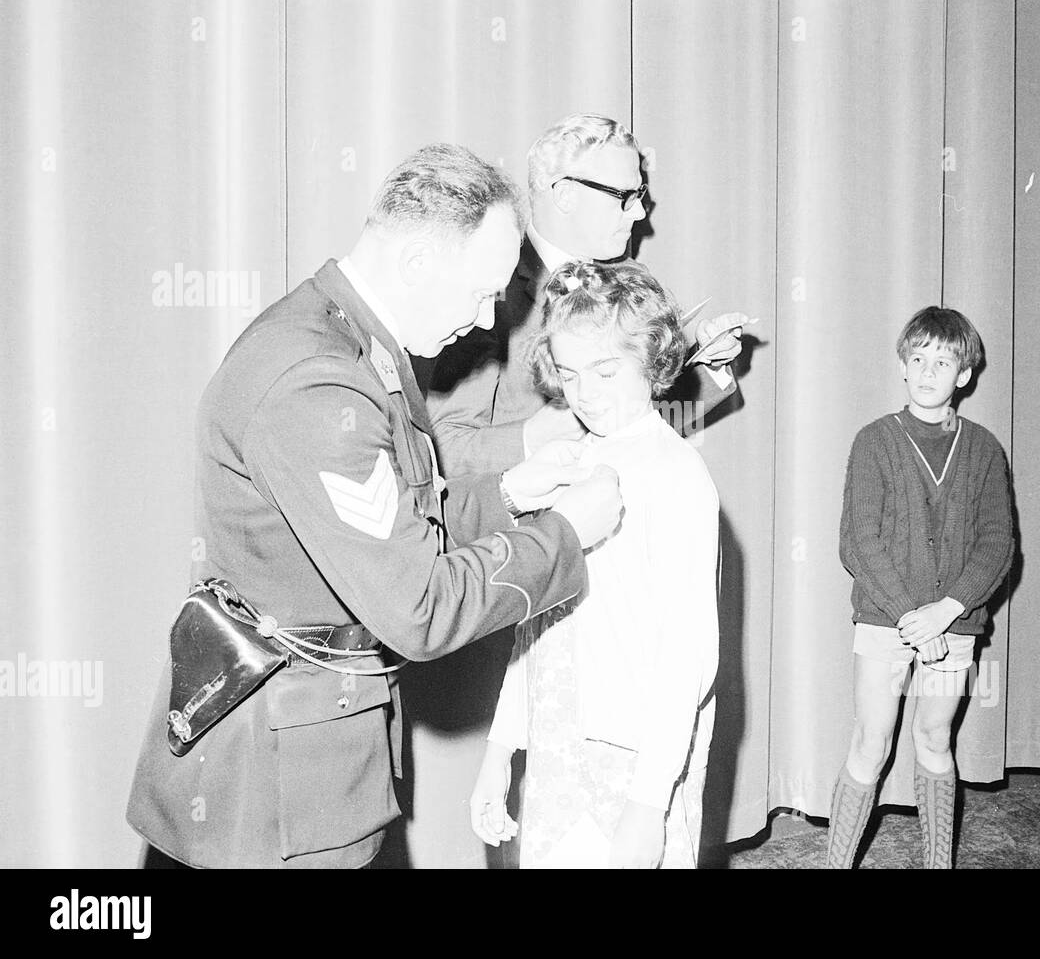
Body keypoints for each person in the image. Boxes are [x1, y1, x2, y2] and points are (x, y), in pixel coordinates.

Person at [126, 144, 623, 869]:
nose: (490, 322)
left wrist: (511, 494)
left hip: (300, 745)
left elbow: (394, 527)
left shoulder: (344, 340)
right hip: (278, 792)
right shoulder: (318, 382)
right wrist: (566, 536)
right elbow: (418, 605)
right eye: (482, 292)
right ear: (419, 262)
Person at [469, 260, 719, 869]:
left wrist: (646, 805)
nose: (587, 394)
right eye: (572, 374)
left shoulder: (677, 474)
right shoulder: (566, 463)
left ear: (653, 362)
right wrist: (501, 747)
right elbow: (536, 621)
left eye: (607, 371)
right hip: (558, 742)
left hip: (637, 754)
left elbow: (689, 654)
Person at [423, 112, 749, 477]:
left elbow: (645, 423)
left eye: (639, 195)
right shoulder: (488, 293)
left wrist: (709, 366)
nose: (640, 212)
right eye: (624, 196)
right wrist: (535, 436)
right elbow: (443, 449)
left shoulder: (631, 279)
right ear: (565, 195)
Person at [829, 306, 1014, 869]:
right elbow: (858, 542)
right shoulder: (875, 441)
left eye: (944, 361)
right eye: (918, 359)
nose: (929, 371)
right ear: (902, 367)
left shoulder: (983, 449)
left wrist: (946, 611)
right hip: (888, 621)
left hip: (955, 625)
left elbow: (997, 543)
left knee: (935, 739)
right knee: (872, 740)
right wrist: (915, 615)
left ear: (964, 375)